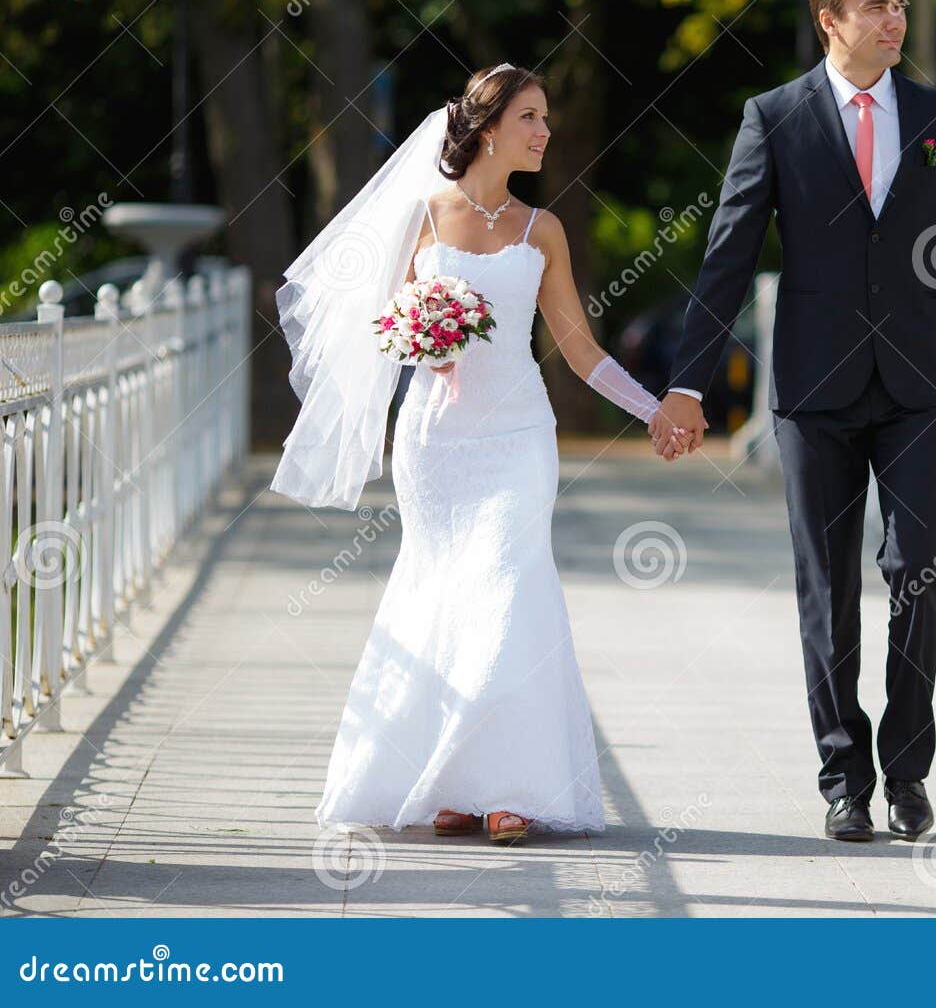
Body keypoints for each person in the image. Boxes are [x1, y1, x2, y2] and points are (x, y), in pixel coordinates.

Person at [271, 63, 689, 844]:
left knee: (508, 586)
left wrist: (654, 409)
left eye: (546, 118)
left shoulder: (544, 230)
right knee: (441, 594)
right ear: (489, 126)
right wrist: (415, 340)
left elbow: (580, 351)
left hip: (519, 436)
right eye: (530, 117)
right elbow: (373, 327)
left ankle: (510, 789)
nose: (544, 132)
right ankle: (454, 784)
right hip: (433, 441)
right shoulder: (422, 218)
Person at [653, 0, 936, 842]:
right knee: (827, 586)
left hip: (922, 386)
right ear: (830, 21)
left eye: (898, 4)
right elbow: (728, 254)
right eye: (877, 6)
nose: (895, 18)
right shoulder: (773, 117)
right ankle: (843, 775)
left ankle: (909, 770)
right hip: (815, 388)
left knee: (918, 571)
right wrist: (689, 383)